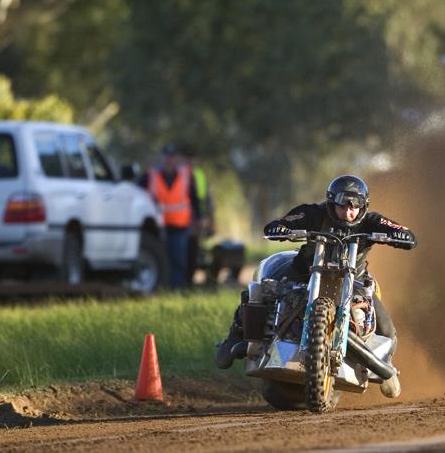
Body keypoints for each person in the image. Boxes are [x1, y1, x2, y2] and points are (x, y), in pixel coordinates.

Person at [215, 175, 416, 396]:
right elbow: (283, 222)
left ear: (364, 206)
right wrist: (280, 228)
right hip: (303, 274)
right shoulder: (313, 213)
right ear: (331, 202)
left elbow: (401, 231)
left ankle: (387, 368)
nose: (349, 212)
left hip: (354, 281)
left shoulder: (371, 221)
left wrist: (400, 235)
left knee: (386, 327)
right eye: (343, 205)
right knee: (259, 290)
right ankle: (232, 340)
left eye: (355, 206)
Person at [139, 144, 200, 289]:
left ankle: (177, 288)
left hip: (180, 226)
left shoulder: (186, 175)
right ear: (162, 158)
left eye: (172, 157)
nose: (169, 161)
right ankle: (161, 287)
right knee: (161, 259)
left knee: (179, 260)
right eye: (167, 157)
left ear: (177, 159)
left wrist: (198, 217)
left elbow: (194, 198)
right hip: (157, 226)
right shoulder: (151, 175)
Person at [182, 146, 216, 284]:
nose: (191, 162)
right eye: (188, 159)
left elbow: (207, 200)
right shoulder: (181, 175)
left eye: (193, 159)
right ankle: (183, 281)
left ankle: (189, 281)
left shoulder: (200, 175)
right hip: (181, 221)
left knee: (194, 252)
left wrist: (210, 220)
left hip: (197, 222)